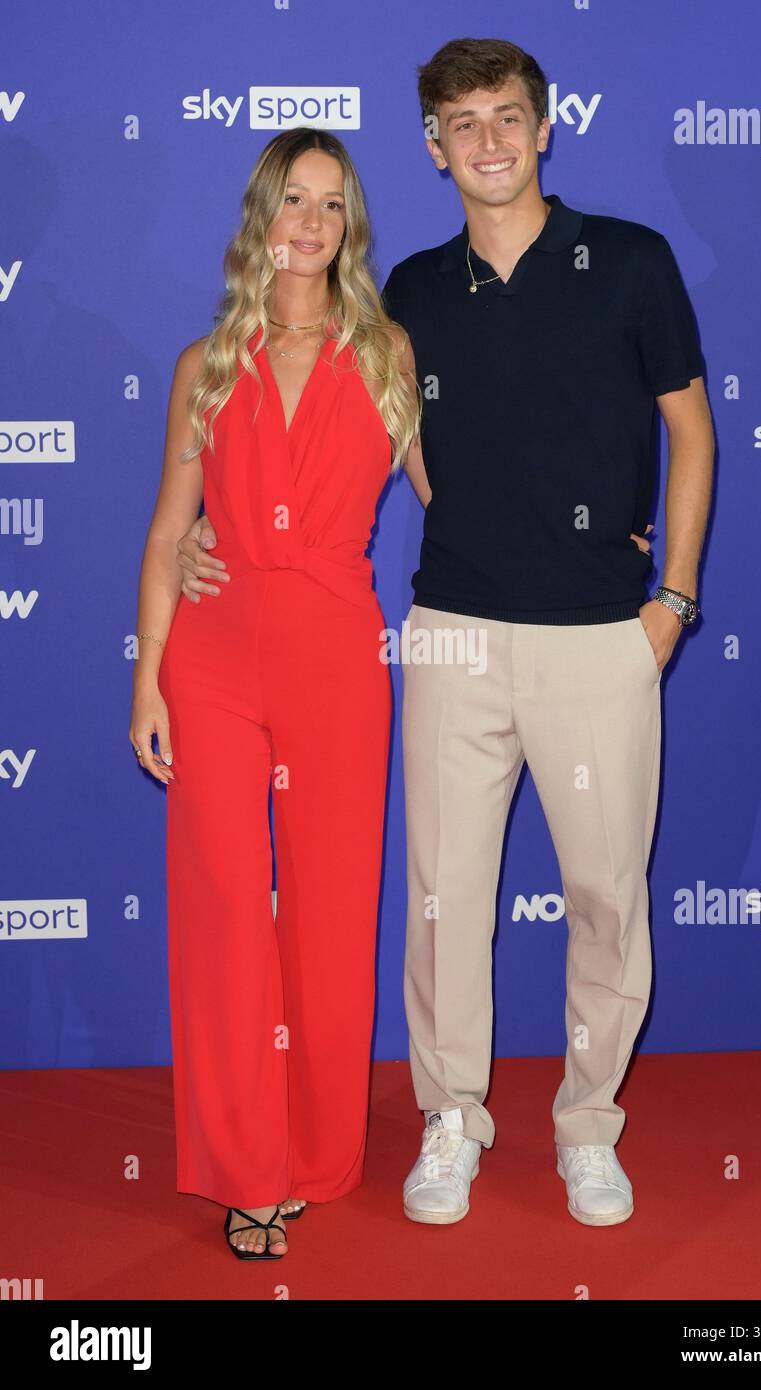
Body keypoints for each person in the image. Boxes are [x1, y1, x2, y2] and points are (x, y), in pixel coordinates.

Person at [176, 35, 714, 1231]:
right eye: (460, 122)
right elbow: (386, 442)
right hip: (451, 632)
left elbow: (690, 430)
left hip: (600, 642)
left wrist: (667, 603)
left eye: (505, 115)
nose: (487, 139)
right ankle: (449, 1117)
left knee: (603, 898)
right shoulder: (405, 295)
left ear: (543, 124)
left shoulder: (628, 260)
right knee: (441, 901)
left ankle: (585, 1125)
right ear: (431, 147)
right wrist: (209, 533)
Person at [129, 128, 420, 1258]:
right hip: (212, 652)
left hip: (337, 658)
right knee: (221, 908)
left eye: (332, 205)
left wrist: (607, 530)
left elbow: (478, 480)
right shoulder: (203, 364)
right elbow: (166, 534)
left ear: (350, 226)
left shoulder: (390, 352)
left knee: (334, 907)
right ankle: (249, 1166)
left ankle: (314, 1147)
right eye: (293, 200)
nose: (310, 223)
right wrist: (147, 673)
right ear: (260, 216)